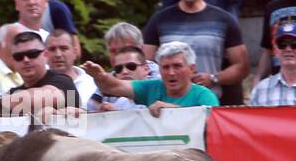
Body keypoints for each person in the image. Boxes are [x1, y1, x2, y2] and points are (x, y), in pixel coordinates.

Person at [144, 0, 248, 101]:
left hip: (208, 102)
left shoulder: (224, 20)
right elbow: (146, 64)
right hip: (168, 106)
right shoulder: (159, 20)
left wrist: (214, 78)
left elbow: (242, 66)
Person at [85, 41, 219, 115]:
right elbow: (113, 86)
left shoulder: (205, 96)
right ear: (159, 69)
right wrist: (100, 76)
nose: (171, 72)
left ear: (191, 69)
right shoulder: (151, 87)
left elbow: (213, 130)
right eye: (166, 67)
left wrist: (174, 112)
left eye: (177, 66)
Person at [87, 43, 150, 111]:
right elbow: (87, 112)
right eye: (119, 68)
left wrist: (118, 112)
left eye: (131, 66)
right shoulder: (105, 90)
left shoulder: (157, 89)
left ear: (146, 69)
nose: (124, 71)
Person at [45, 29, 96, 105]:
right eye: (52, 49)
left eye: (63, 48)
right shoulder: (37, 85)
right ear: (45, 54)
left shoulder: (93, 85)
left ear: (74, 52)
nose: (58, 54)